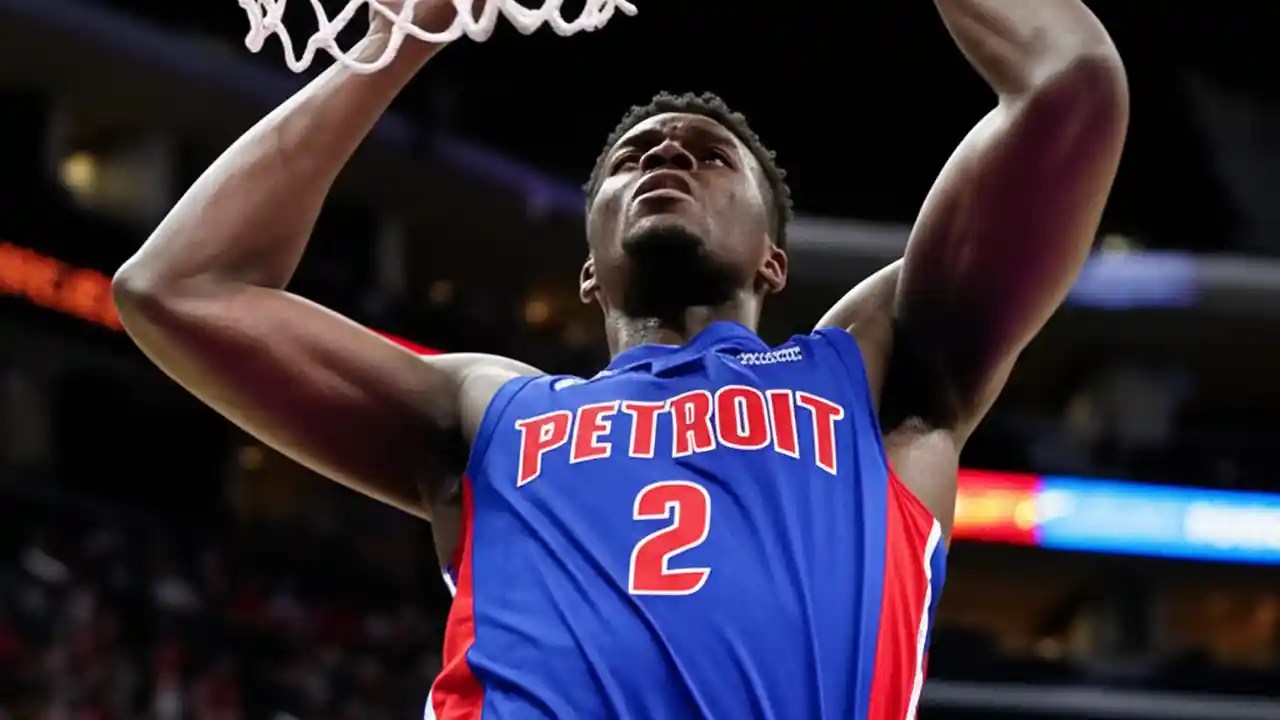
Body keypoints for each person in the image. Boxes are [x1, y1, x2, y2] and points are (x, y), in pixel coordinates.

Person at [111, 0, 1129, 716]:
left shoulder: (872, 372)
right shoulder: (486, 411)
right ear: (588, 271)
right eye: (633, 158)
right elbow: (178, 289)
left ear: (773, 260)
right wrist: (399, 40)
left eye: (708, 154)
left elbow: (1069, 86)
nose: (667, 154)